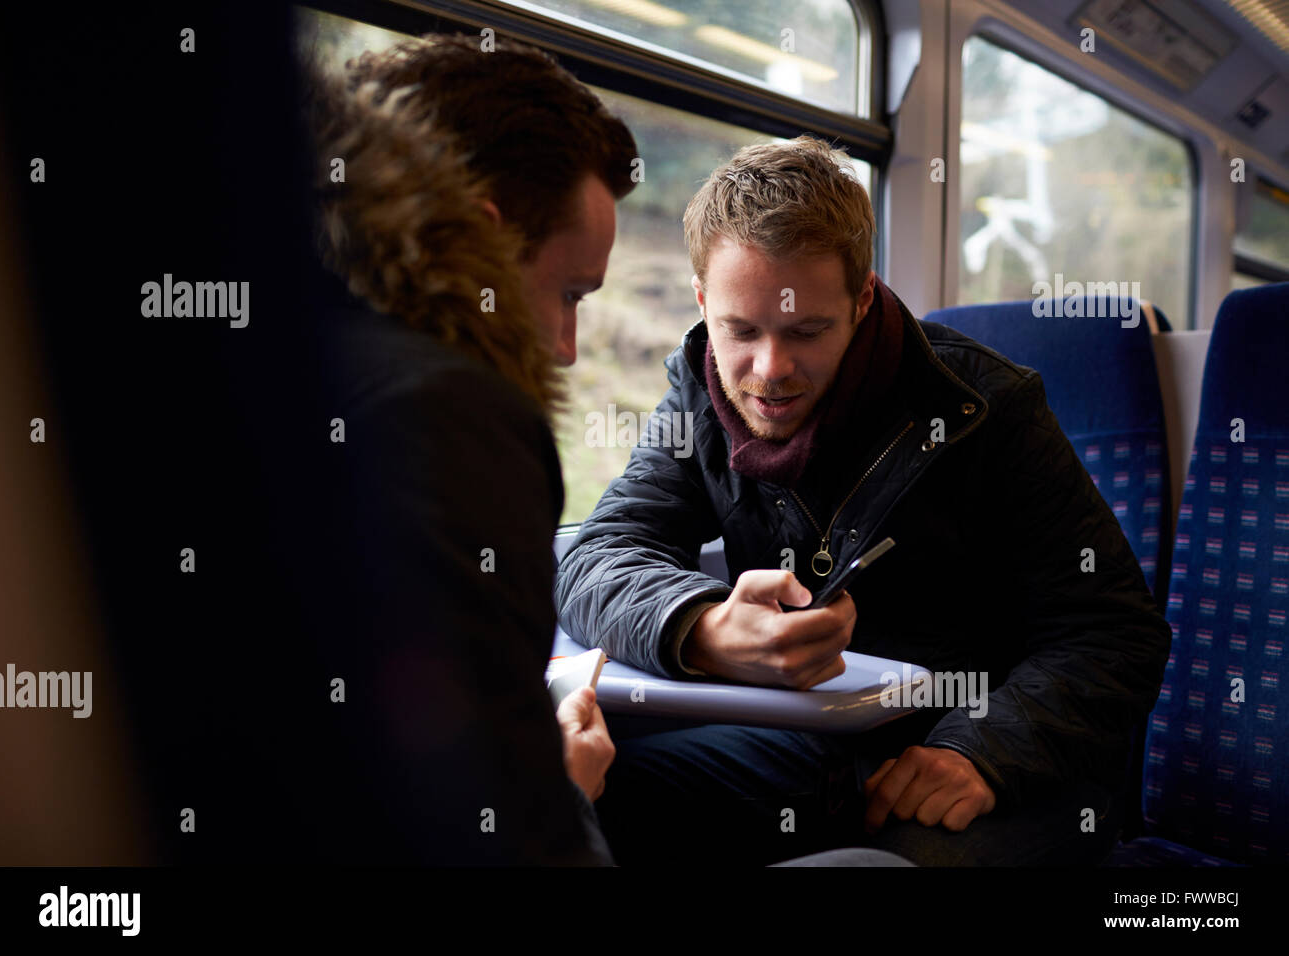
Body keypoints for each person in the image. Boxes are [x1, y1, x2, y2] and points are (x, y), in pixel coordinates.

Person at [553, 136, 1172, 866]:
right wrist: (705, 625)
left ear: (863, 298)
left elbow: (1113, 632)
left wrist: (981, 750)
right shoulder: (698, 395)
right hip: (803, 747)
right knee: (572, 804)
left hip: (991, 762)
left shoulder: (986, 406)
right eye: (740, 330)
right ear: (701, 301)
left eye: (807, 331)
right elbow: (601, 551)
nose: (769, 370)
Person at [301, 33, 636, 864]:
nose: (565, 347)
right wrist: (565, 787)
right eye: (567, 294)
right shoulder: (452, 413)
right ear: (486, 239)